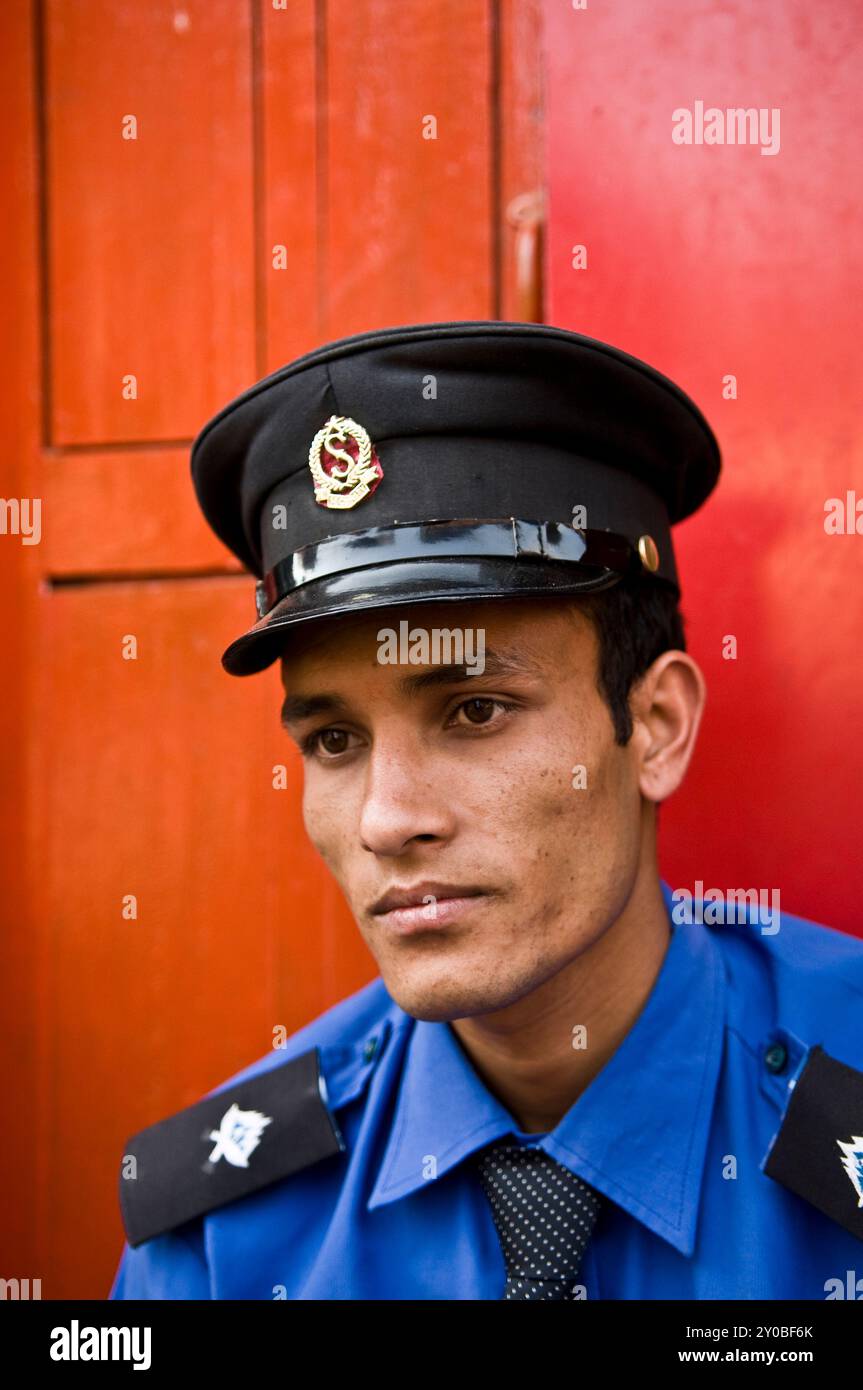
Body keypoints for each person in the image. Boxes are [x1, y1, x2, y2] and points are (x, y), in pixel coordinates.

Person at [109, 321, 863, 1300]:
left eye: (472, 710)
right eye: (334, 740)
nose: (387, 819)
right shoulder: (226, 1235)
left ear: (656, 725)